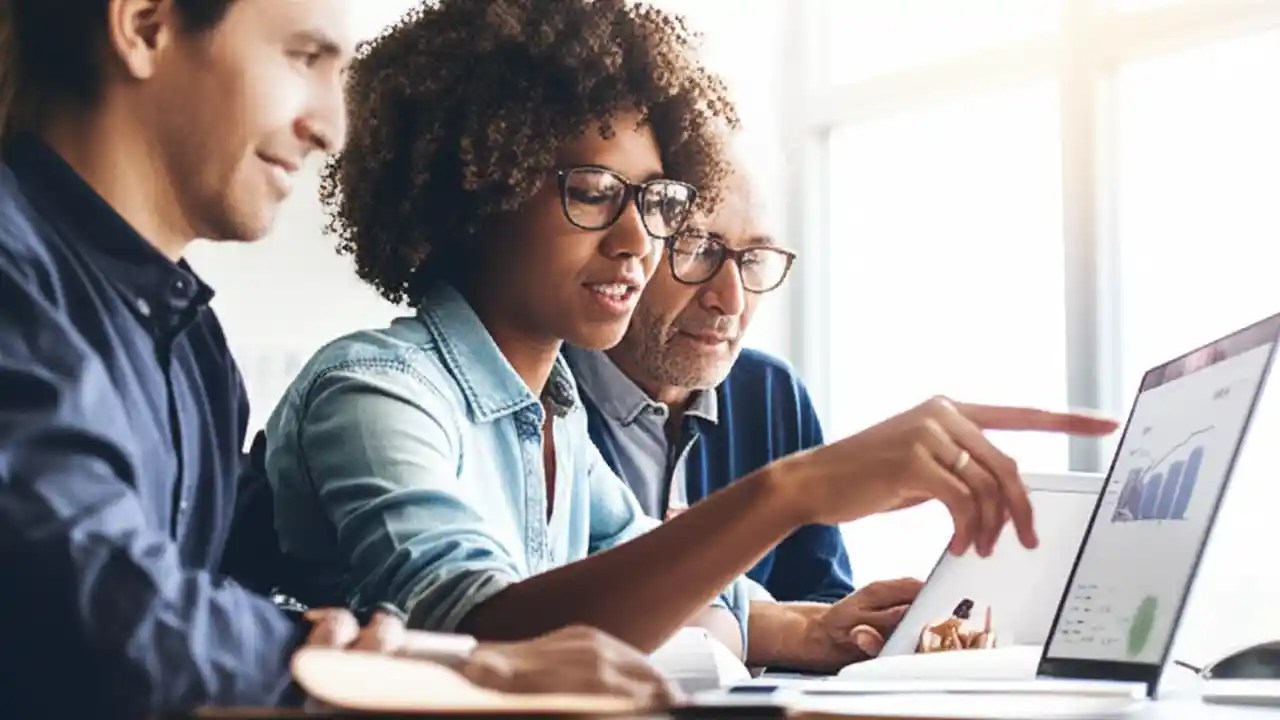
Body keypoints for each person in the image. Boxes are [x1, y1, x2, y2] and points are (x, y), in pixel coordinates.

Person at [262, 0, 1121, 676]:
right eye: (595, 192)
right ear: (476, 192)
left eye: (655, 201)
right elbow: (486, 634)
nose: (639, 240)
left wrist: (821, 628)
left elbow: (638, 560)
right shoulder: (377, 388)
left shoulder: (552, 408)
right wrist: (792, 491)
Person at [0, 1, 675, 716]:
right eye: (303, 57)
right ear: (144, 25)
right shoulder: (17, 284)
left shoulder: (194, 351)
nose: (332, 128)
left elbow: (213, 599)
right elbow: (95, 601)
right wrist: (470, 674)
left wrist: (375, 647)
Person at [564, 161, 854, 606]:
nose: (730, 300)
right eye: (697, 249)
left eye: (754, 260)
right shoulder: (544, 392)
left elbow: (823, 603)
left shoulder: (770, 393)